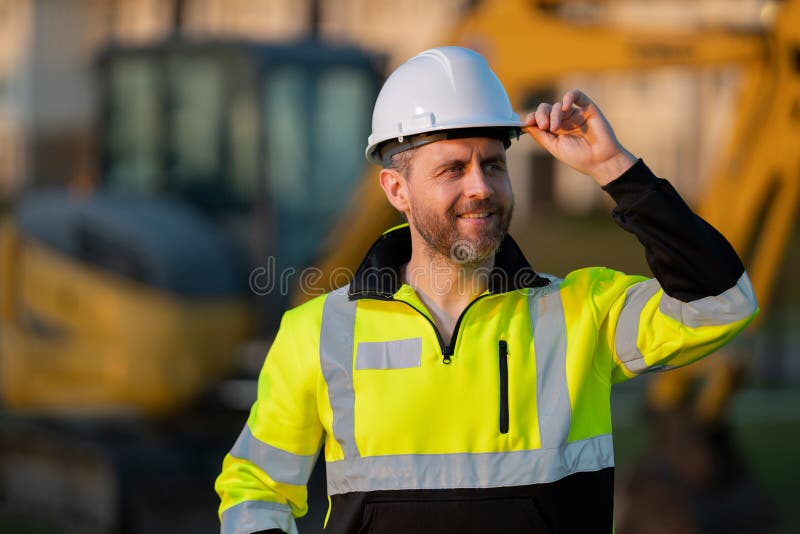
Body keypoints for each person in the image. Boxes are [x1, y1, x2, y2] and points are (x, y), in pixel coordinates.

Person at [215, 46, 758, 534]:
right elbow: (255, 491)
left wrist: (615, 169)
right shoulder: (317, 333)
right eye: (453, 168)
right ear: (397, 189)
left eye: (493, 165)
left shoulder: (582, 313)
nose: (481, 187)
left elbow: (723, 302)